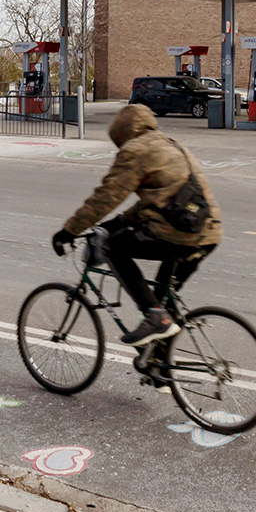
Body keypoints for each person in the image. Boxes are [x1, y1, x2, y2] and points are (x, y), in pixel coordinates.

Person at [52, 104, 222, 349]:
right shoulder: (171, 144)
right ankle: (159, 360)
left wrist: (70, 230)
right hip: (207, 232)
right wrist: (119, 222)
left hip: (178, 233)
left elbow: (107, 196)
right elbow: (162, 199)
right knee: (163, 298)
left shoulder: (135, 149)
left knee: (112, 248)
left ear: (121, 133)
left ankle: (154, 317)